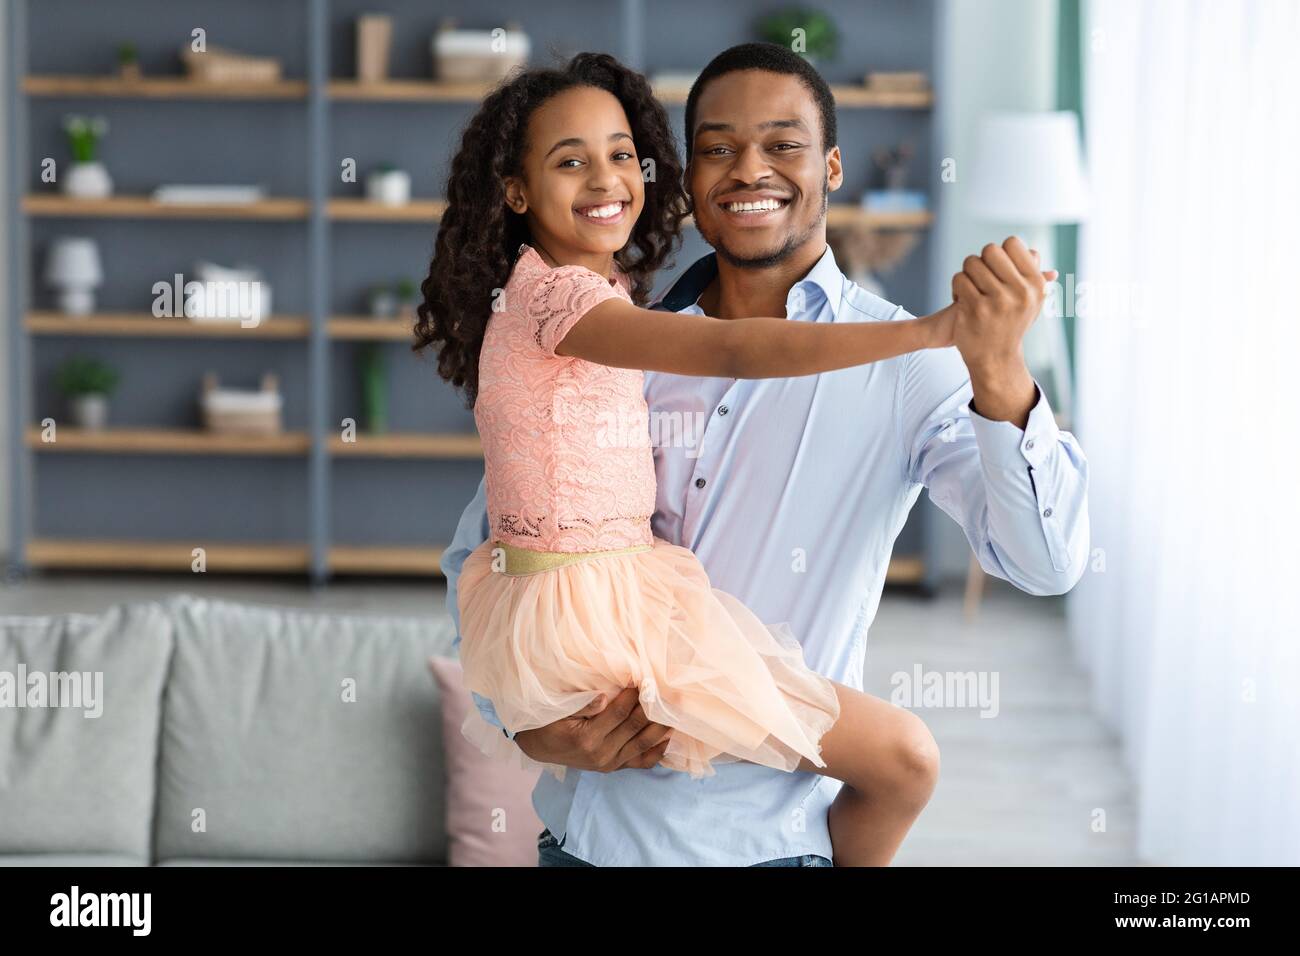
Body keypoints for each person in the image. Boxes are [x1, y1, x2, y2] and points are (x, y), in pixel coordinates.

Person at [438, 43, 1090, 868]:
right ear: (686, 180)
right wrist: (528, 724)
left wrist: (997, 372)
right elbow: (489, 553)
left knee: (904, 759)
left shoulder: (907, 370)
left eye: (783, 145)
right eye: (717, 148)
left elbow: (1046, 563)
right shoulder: (608, 344)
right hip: (589, 842)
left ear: (833, 167)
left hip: (773, 849)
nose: (750, 170)